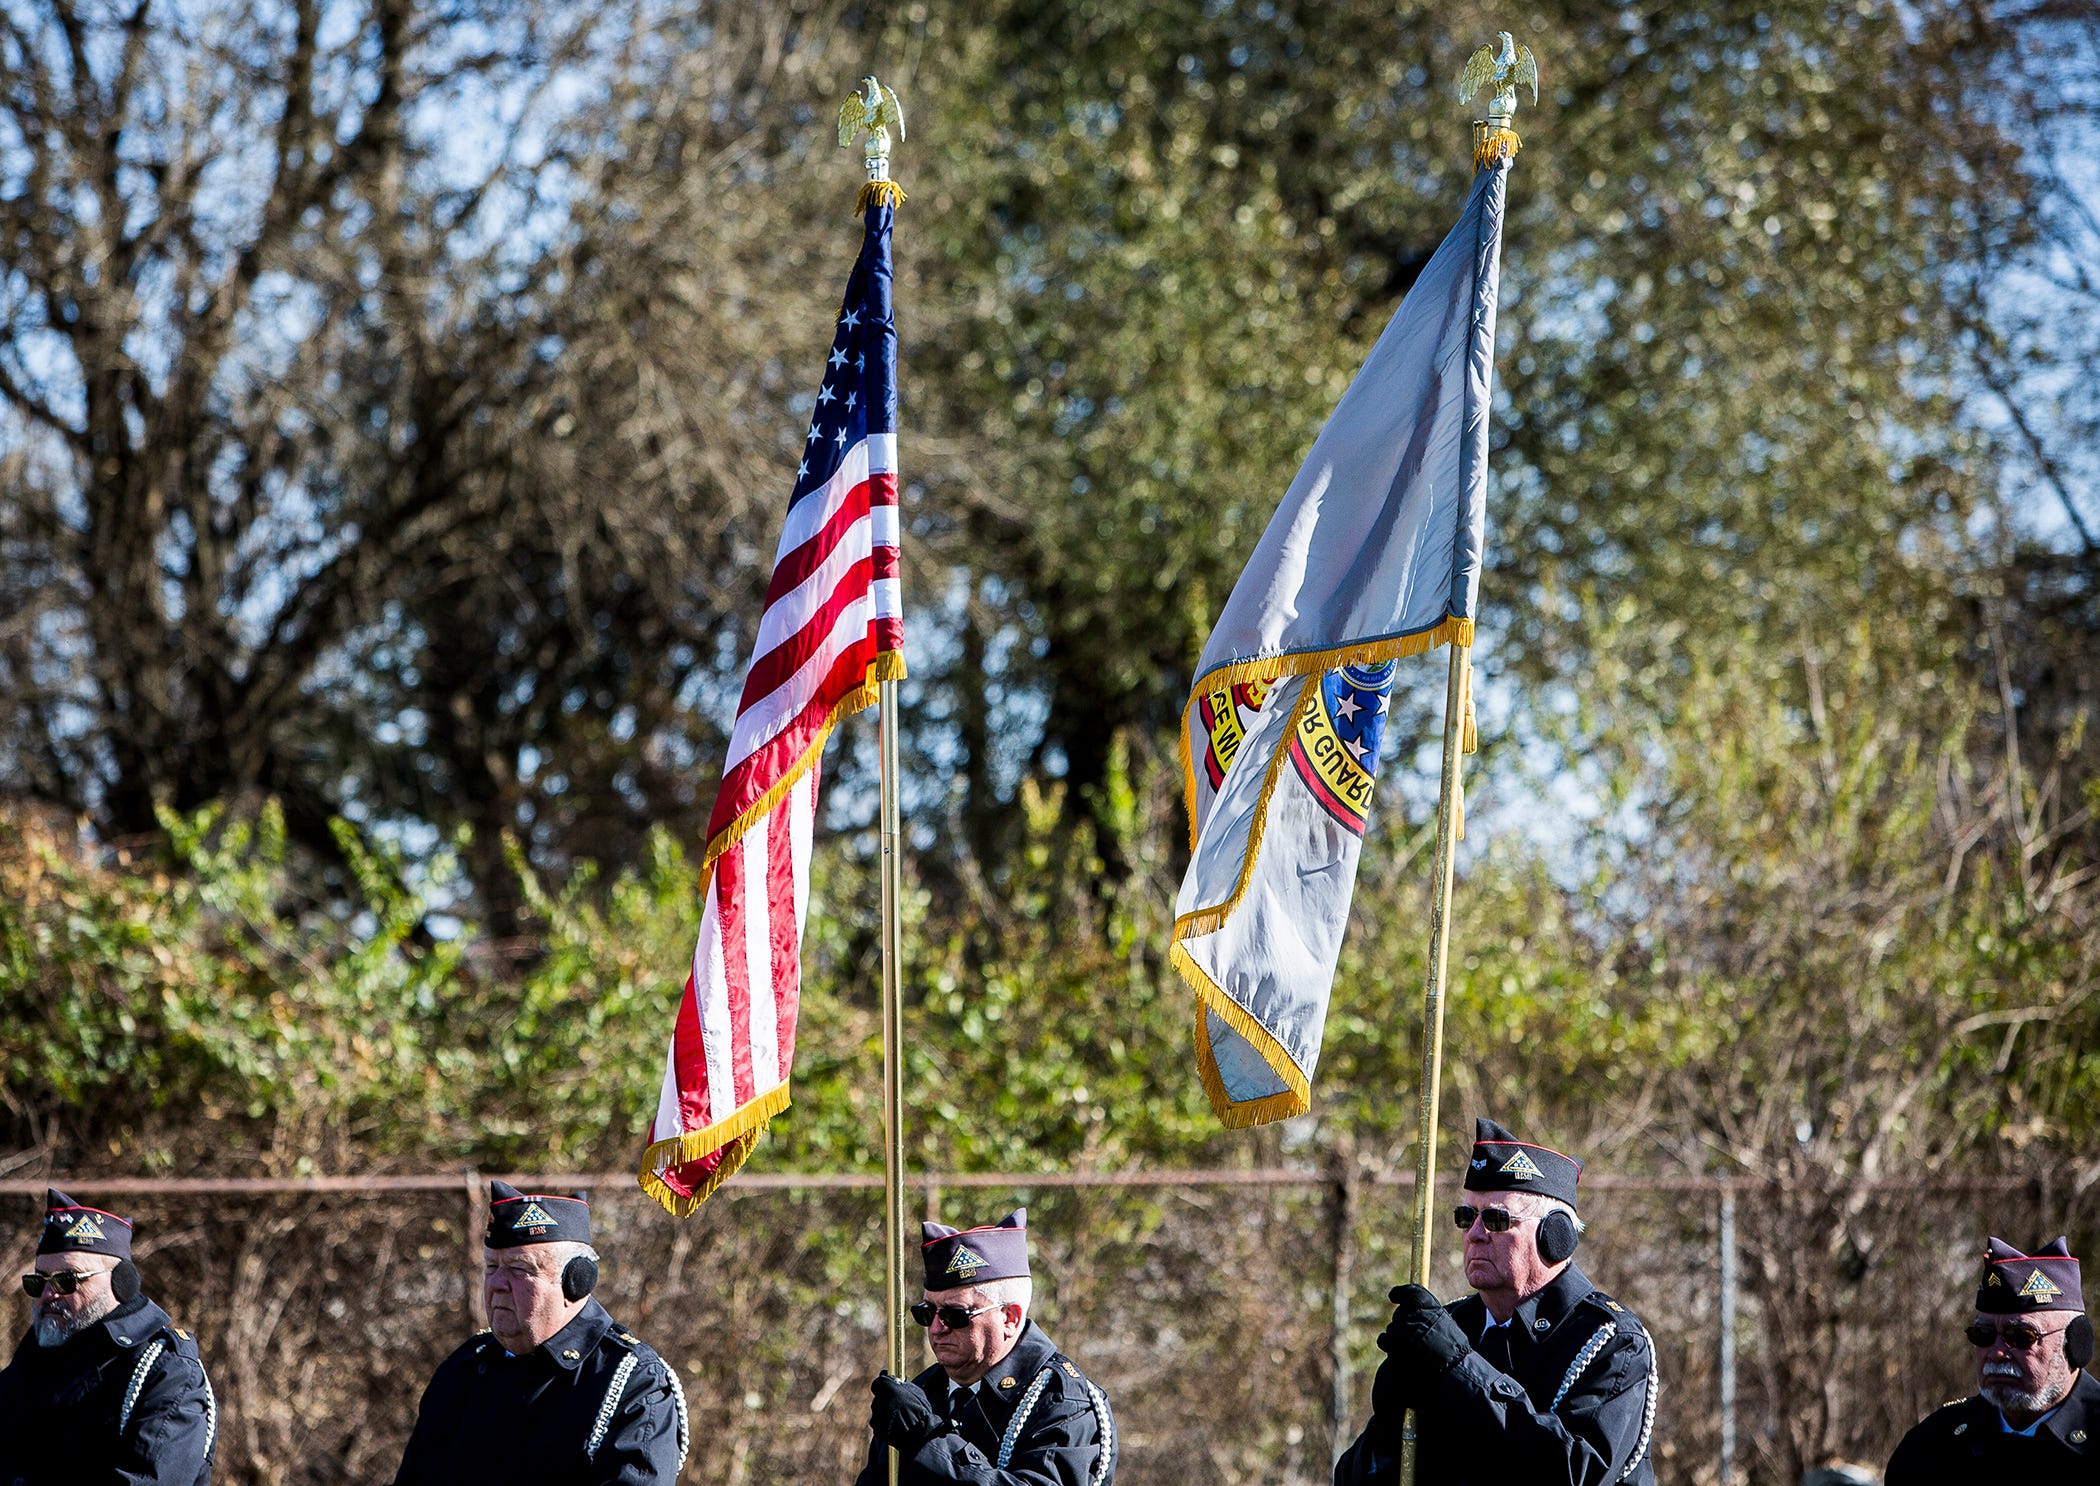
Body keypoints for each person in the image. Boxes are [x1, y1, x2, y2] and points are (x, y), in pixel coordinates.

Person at [1334, 1119, 1658, 1485]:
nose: (1474, 1234)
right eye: (1466, 1216)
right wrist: (1390, 1424)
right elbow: (1354, 1478)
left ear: (1556, 1235)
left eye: (1496, 1219)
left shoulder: (1611, 1342)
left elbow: (1575, 1472)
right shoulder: (1451, 1328)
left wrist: (1460, 1368)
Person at [391, 1183, 687, 1484]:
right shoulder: (463, 1369)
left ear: (577, 1281)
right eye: (491, 1267)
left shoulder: (633, 1382)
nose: (497, 1284)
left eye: (520, 1269)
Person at [855, 1208, 1115, 1486]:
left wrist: (926, 1440)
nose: (936, 1328)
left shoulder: (1062, 1401)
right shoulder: (921, 1394)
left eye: (955, 1315)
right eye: (927, 1312)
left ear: (1010, 1318)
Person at [0, 1187, 217, 1485]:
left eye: (67, 1280)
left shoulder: (166, 1371)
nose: (49, 1294)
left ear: (121, 1283)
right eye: (37, 1281)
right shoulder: (32, 1361)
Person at [1886, 1235, 2099, 1481]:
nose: (1997, 1352)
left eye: (2021, 1336)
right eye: (1983, 1335)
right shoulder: (1932, 1446)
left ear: (2075, 1342)